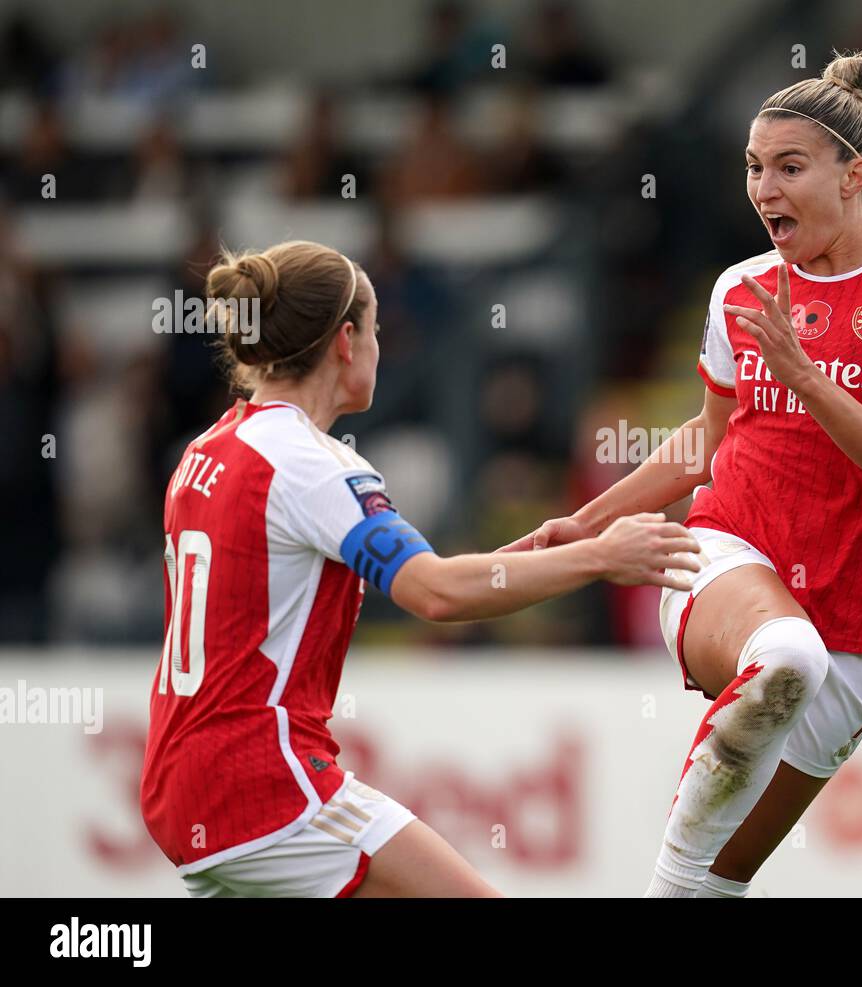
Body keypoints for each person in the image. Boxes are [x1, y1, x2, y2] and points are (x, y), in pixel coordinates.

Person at [503, 52, 862, 897]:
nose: (765, 190)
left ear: (855, 175)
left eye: (789, 167)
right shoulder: (742, 290)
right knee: (784, 654)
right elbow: (707, 439)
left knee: (707, 886)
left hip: (859, 622)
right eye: (755, 168)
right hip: (725, 559)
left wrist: (804, 376)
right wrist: (591, 519)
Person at [141, 239, 701, 897]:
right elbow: (434, 593)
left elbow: (416, 575)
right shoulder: (311, 463)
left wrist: (548, 551)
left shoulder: (208, 450)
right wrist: (602, 555)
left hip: (182, 787)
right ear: (346, 341)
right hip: (266, 784)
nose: (383, 347)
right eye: (379, 329)